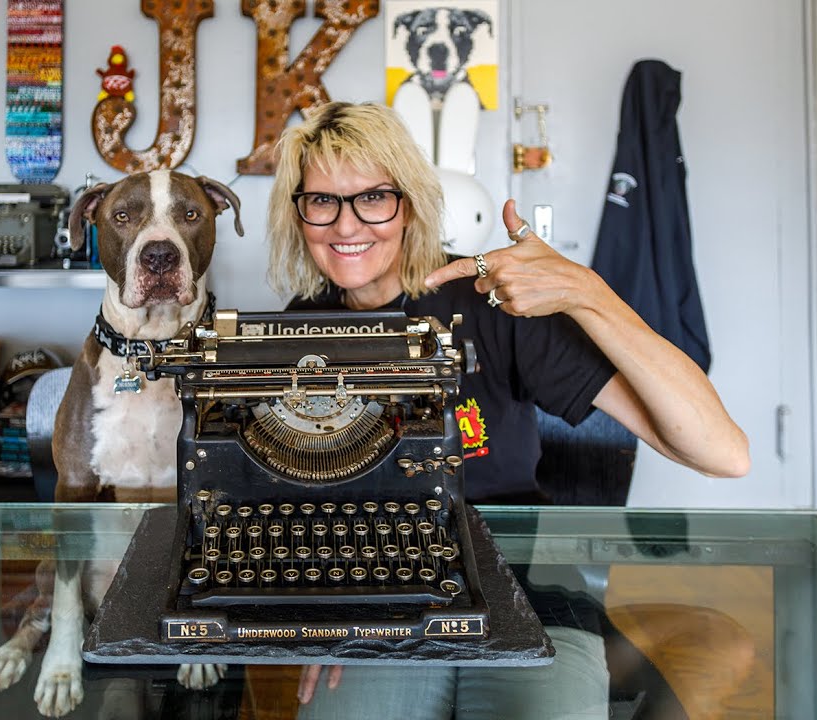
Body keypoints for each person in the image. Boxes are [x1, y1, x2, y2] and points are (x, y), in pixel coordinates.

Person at [265, 101, 749, 719]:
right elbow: (281, 499)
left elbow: (723, 454)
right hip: (378, 604)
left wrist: (586, 293)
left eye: (373, 197)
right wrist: (327, 600)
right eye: (322, 201)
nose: (346, 224)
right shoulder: (290, 334)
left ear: (408, 203)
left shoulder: (493, 304)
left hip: (529, 595)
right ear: (299, 214)